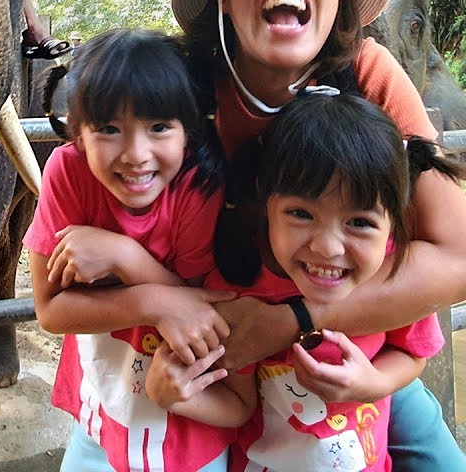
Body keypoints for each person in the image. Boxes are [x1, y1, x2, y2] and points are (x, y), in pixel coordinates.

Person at [169, 0, 466, 466]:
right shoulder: (178, 92)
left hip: (348, 349)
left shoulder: (369, 74)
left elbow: (458, 256)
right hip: (206, 361)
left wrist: (291, 319)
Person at [145, 90, 458, 471]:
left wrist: (373, 385)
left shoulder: (393, 279)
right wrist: (172, 395)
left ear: (393, 221)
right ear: (265, 207)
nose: (327, 248)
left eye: (359, 223)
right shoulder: (238, 289)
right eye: (301, 213)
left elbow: (411, 354)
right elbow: (239, 407)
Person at [27, 28, 237, 472]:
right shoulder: (68, 171)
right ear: (79, 136)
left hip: (187, 422)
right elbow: (49, 311)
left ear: (187, 133)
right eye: (108, 129)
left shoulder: (197, 185)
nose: (135, 154)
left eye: (159, 127)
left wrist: (126, 258)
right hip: (102, 409)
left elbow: (198, 312)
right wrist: (160, 301)